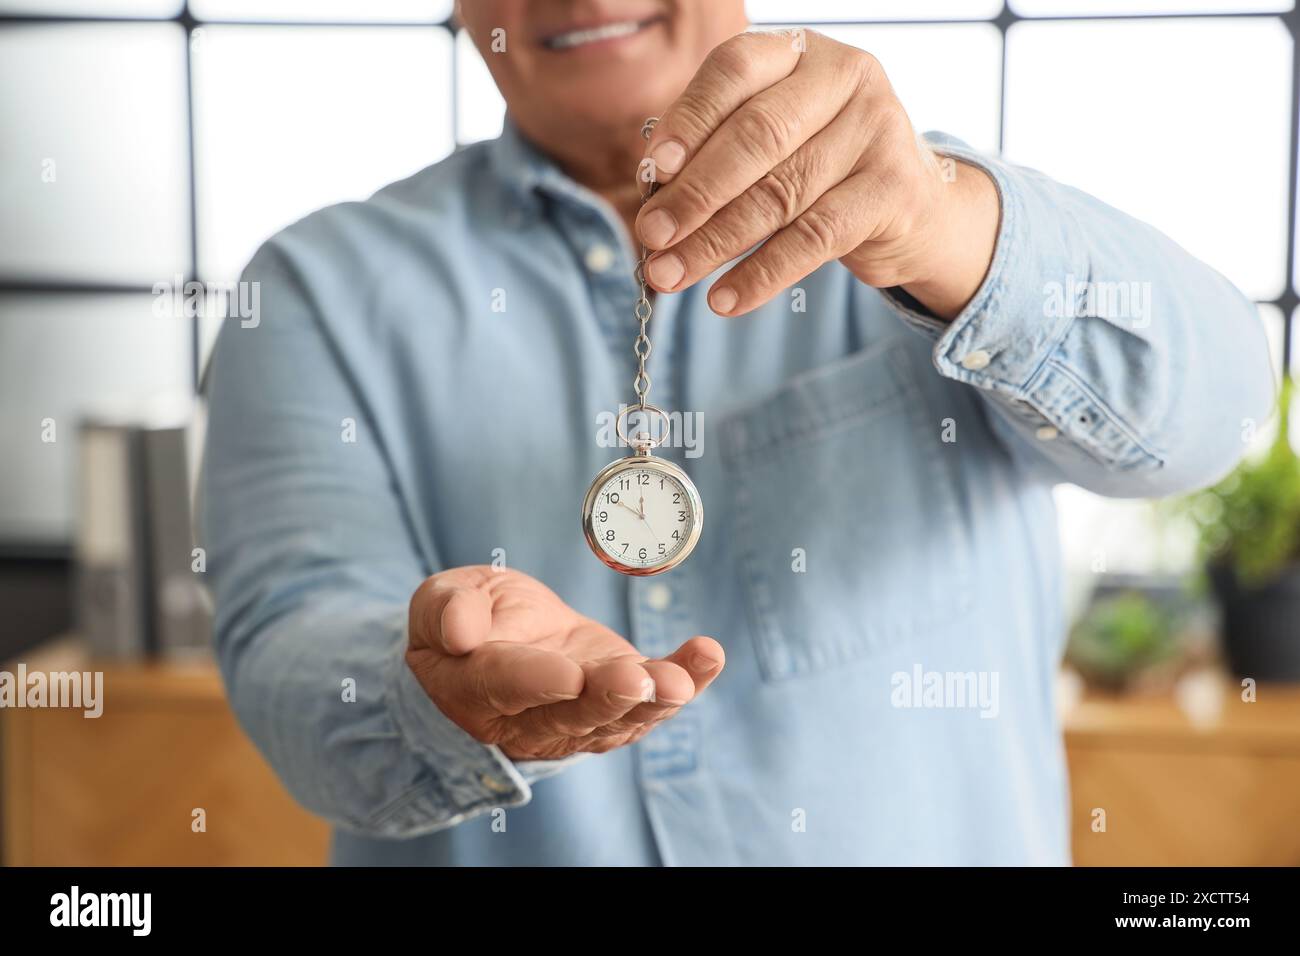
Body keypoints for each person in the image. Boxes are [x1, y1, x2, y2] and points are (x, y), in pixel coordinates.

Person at [198, 0, 1273, 865]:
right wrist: (423, 687)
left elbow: (1219, 413)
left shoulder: (923, 216)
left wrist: (947, 224)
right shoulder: (315, 290)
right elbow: (288, 643)